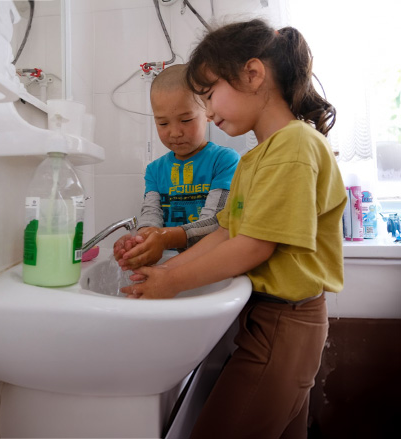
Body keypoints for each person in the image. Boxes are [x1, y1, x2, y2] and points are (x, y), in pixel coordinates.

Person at [121, 18, 347, 439]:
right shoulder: (255, 159)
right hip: (268, 318)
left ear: (253, 74)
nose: (207, 111)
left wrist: (170, 283)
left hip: (287, 323)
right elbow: (225, 233)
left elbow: (253, 247)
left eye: (209, 95)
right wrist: (166, 273)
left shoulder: (294, 145)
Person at [114, 64, 240, 270]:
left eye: (186, 120)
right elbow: (151, 215)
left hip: (210, 263)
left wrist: (163, 238)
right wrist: (140, 239)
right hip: (168, 261)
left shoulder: (225, 160)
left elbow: (216, 223)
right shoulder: (154, 169)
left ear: (208, 114)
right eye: (163, 123)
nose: (174, 132)